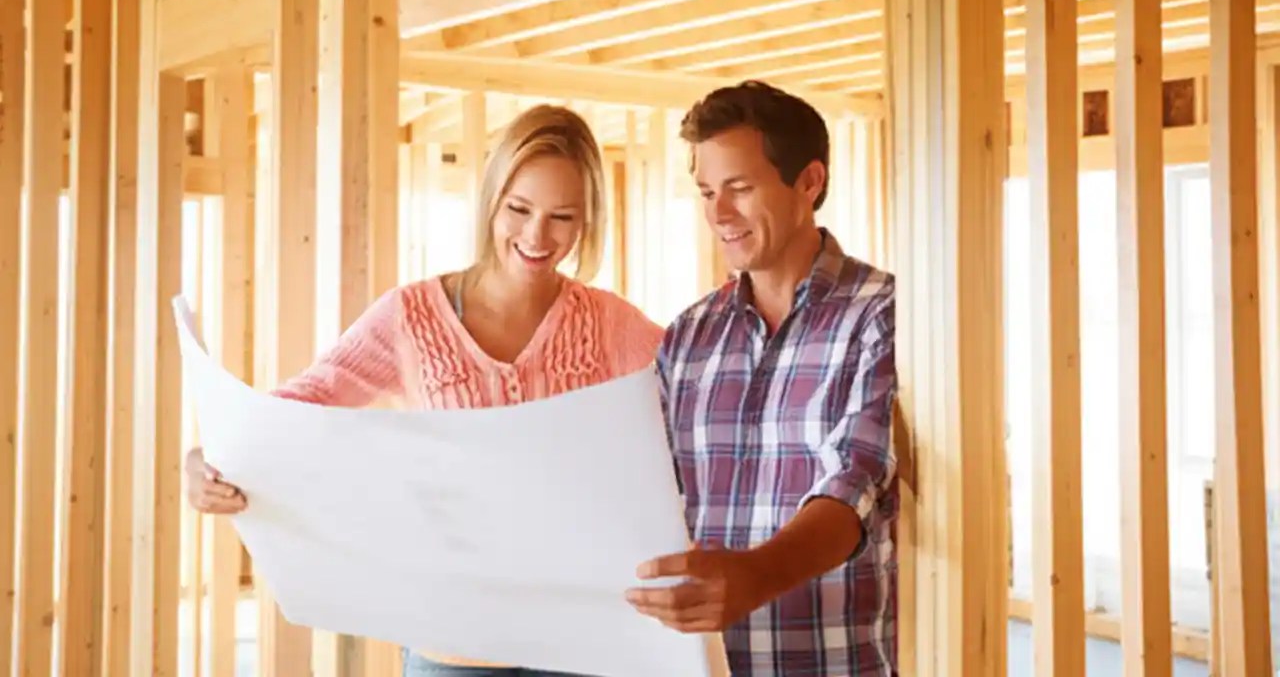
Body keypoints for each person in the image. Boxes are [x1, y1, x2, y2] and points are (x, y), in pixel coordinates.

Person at [184, 104, 665, 676]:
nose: (538, 236)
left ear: (587, 220)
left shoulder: (609, 323)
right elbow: (301, 408)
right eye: (519, 209)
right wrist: (206, 459)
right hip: (453, 647)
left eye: (562, 217)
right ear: (490, 201)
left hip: (580, 642)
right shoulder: (411, 317)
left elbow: (699, 398)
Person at [624, 81, 898, 676]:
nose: (718, 214)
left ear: (810, 182)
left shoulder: (881, 313)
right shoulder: (689, 336)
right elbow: (645, 489)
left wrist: (754, 576)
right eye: (706, 192)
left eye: (740, 189)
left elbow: (857, 480)